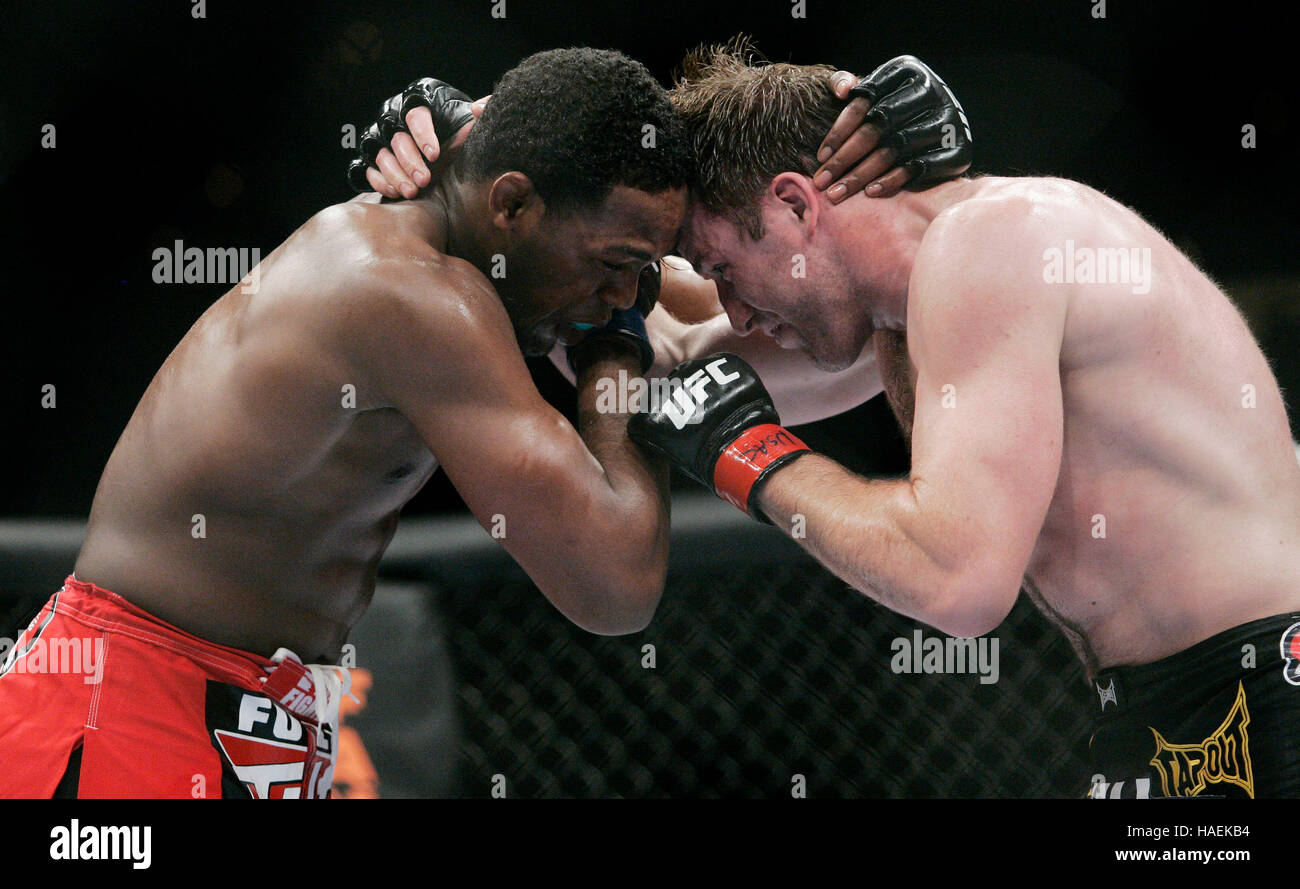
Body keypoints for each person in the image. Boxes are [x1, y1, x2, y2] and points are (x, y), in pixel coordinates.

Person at [368, 42, 1300, 798]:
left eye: (723, 268)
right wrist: (472, 155)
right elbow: (663, 349)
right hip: (1176, 714)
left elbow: (958, 581)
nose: (731, 311)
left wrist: (749, 453)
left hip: (1270, 693)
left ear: (793, 202)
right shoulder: (904, 318)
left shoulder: (996, 242)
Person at [0, 47, 690, 799]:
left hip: (230, 714)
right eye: (616, 263)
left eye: (641, 271)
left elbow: (515, 117)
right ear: (513, 204)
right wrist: (619, 355)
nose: (623, 291)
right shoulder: (415, 294)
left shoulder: (420, 243)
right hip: (131, 722)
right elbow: (613, 585)